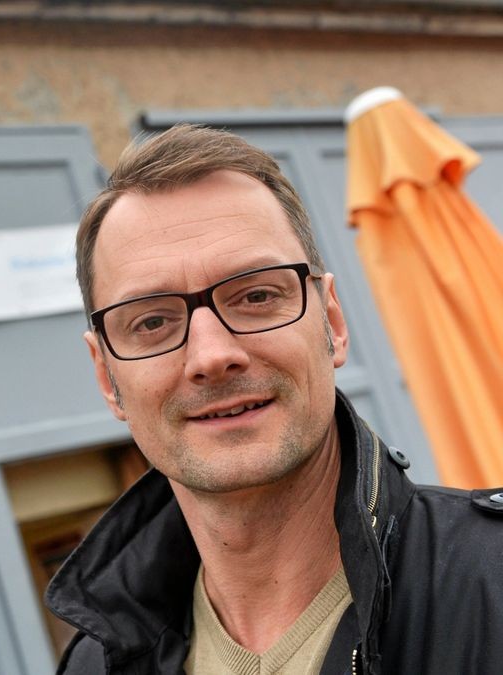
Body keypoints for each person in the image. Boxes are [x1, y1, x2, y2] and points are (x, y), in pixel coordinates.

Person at [45, 123, 503, 674]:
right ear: (105, 376)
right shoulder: (94, 667)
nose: (211, 356)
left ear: (331, 321)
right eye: (152, 322)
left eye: (257, 295)